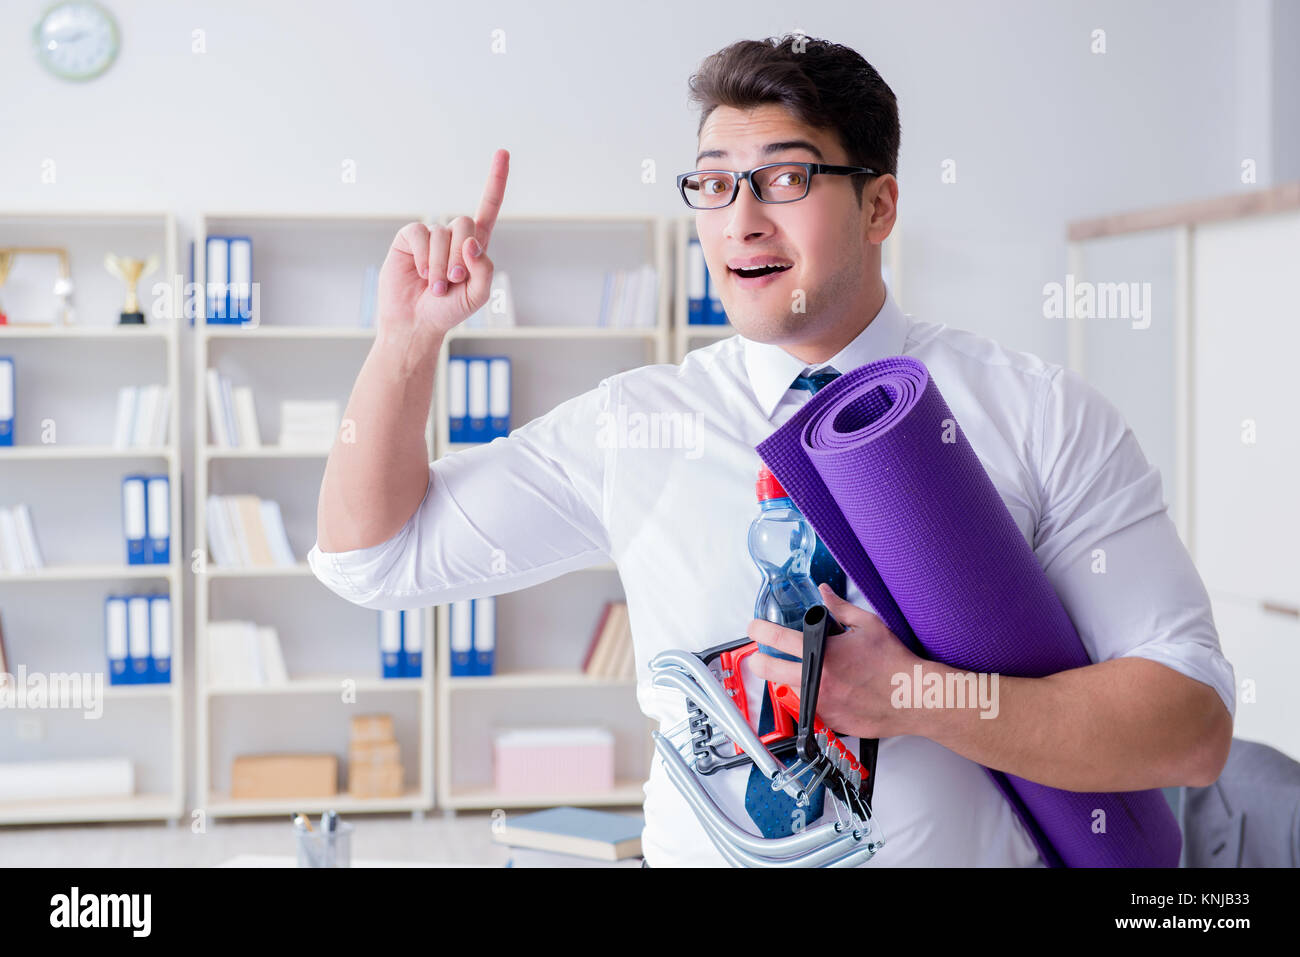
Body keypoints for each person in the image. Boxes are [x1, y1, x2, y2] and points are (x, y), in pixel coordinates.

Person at [308, 34, 1235, 867]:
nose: (742, 219)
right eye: (714, 183)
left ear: (880, 206)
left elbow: (1190, 724)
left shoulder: (1037, 415)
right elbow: (373, 557)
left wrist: (917, 698)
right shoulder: (637, 424)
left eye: (786, 179)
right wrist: (406, 343)